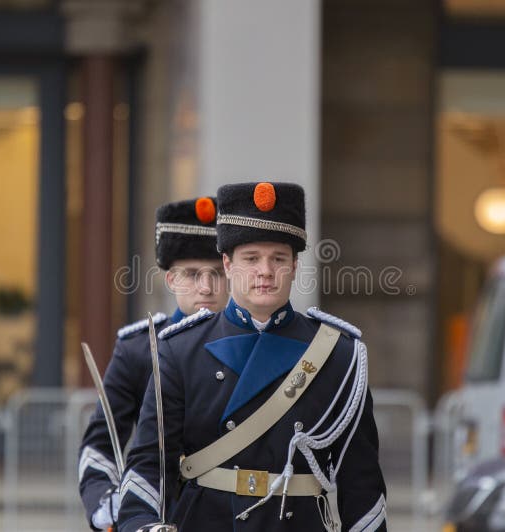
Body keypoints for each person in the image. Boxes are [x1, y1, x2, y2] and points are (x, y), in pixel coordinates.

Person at [117, 182, 386, 531]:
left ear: (294, 265)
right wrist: (143, 524)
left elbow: (361, 483)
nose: (265, 271)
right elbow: (150, 463)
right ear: (227, 264)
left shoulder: (339, 354)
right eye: (251, 258)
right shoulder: (179, 352)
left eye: (278, 258)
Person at [78, 196, 229, 531]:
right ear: (170, 279)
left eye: (217, 273)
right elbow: (100, 444)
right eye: (192, 274)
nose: (206, 287)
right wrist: (107, 504)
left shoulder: (253, 345)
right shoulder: (137, 349)